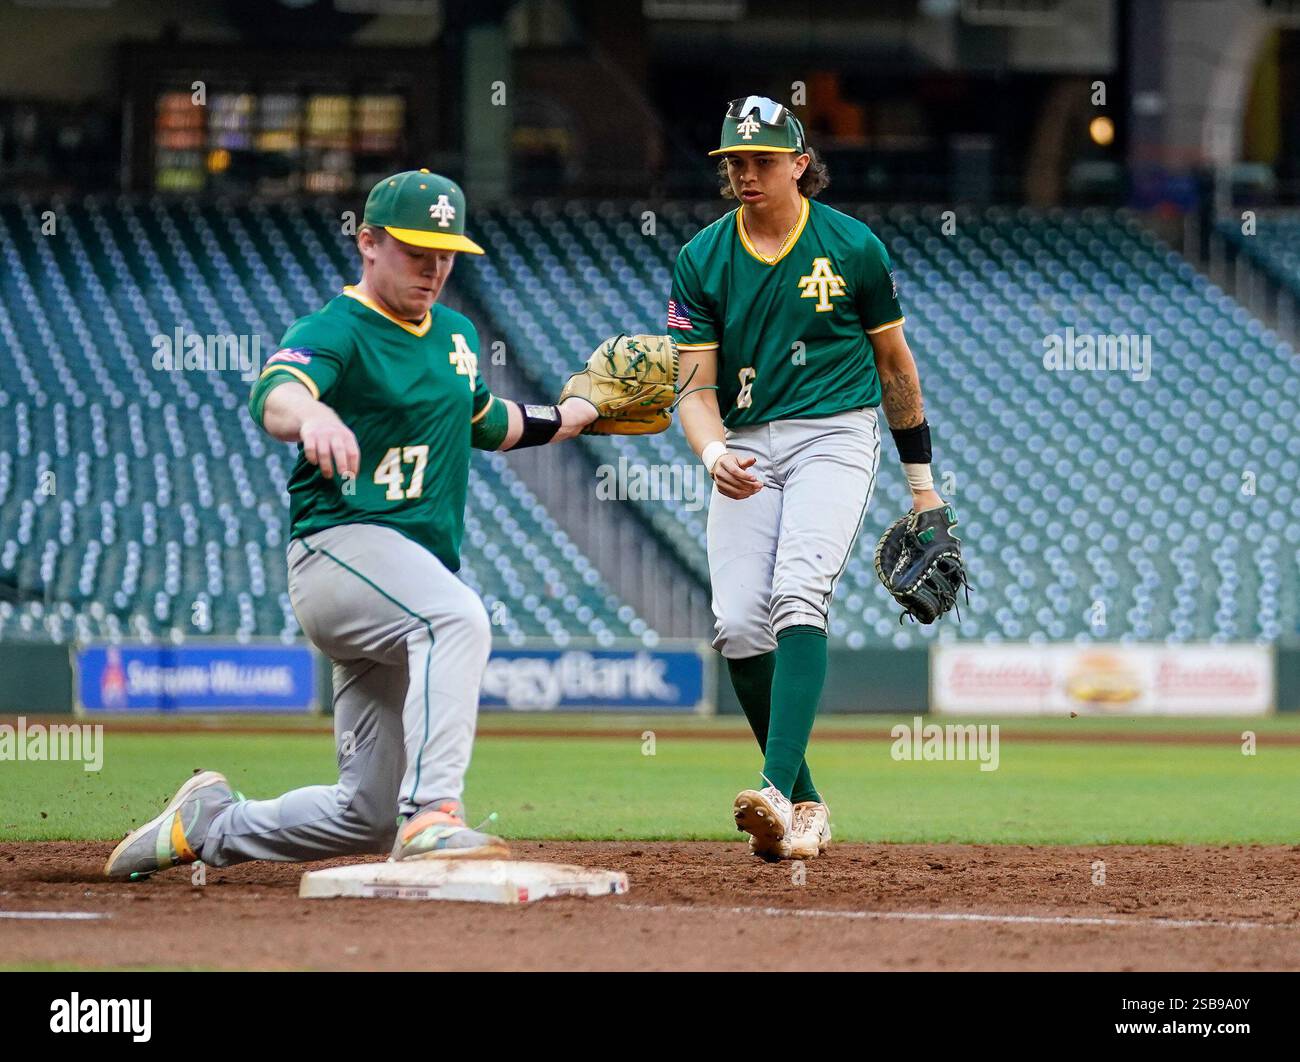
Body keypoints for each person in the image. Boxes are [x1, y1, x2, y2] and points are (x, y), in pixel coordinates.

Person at [105, 169, 601, 879]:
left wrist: (580, 417)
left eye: (445, 254)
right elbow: (275, 393)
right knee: (457, 620)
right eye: (415, 251)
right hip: (338, 554)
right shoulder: (336, 328)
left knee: (363, 814)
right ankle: (434, 812)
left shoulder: (457, 335)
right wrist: (311, 413)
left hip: (401, 587)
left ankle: (209, 825)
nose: (433, 268)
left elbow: (490, 421)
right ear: (367, 242)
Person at [668, 97, 949, 860]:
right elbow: (693, 389)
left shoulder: (852, 247)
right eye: (733, 161)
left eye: (760, 159)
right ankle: (807, 805)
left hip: (835, 433)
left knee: (798, 589)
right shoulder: (701, 257)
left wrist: (922, 485)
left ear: (799, 163)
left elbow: (896, 367)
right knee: (735, 623)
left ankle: (770, 785)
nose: (744, 173)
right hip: (746, 444)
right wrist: (710, 452)